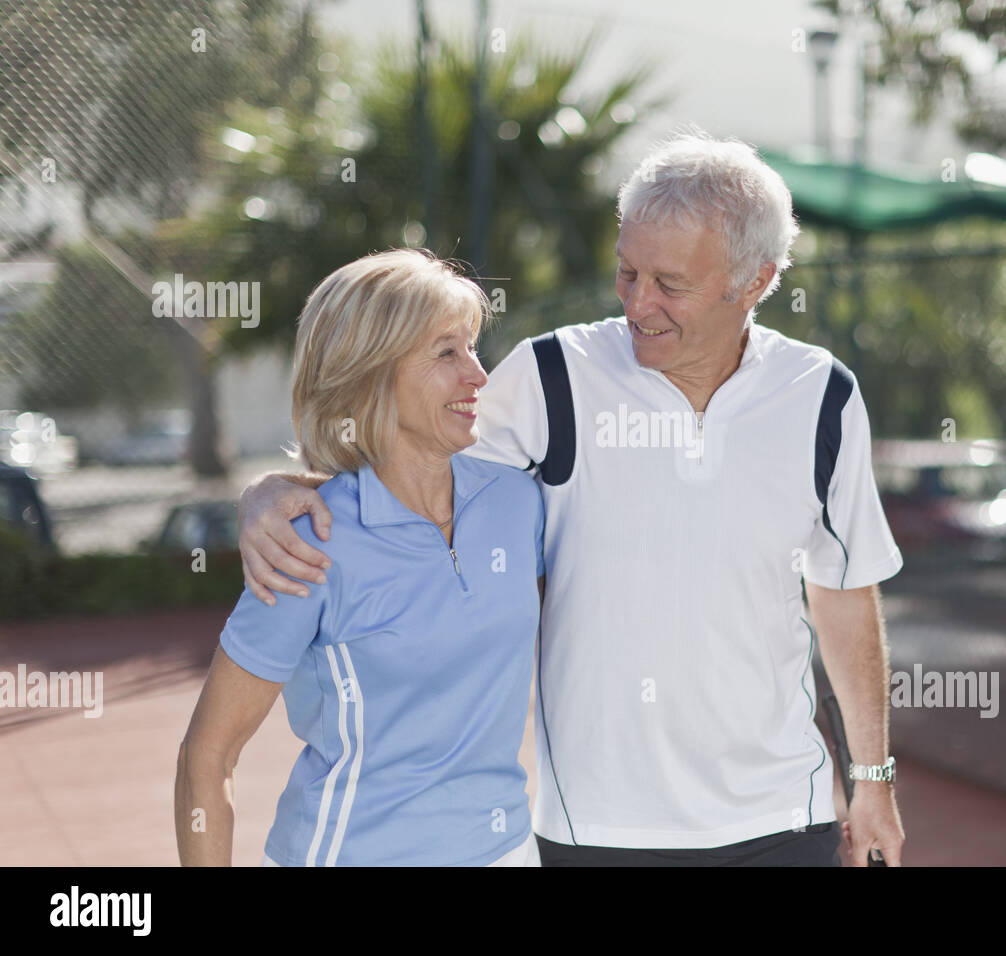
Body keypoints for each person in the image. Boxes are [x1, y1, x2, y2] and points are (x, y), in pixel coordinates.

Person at [238, 130, 905, 867]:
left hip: (784, 813)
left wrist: (871, 780)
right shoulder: (551, 377)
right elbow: (400, 455)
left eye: (669, 284)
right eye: (627, 273)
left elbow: (843, 591)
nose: (638, 303)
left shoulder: (823, 397)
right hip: (596, 824)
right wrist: (274, 491)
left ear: (753, 281)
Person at [175, 249, 545, 866]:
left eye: (474, 348)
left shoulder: (519, 502)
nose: (479, 375)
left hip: (506, 853)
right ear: (372, 374)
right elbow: (206, 757)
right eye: (446, 352)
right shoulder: (308, 541)